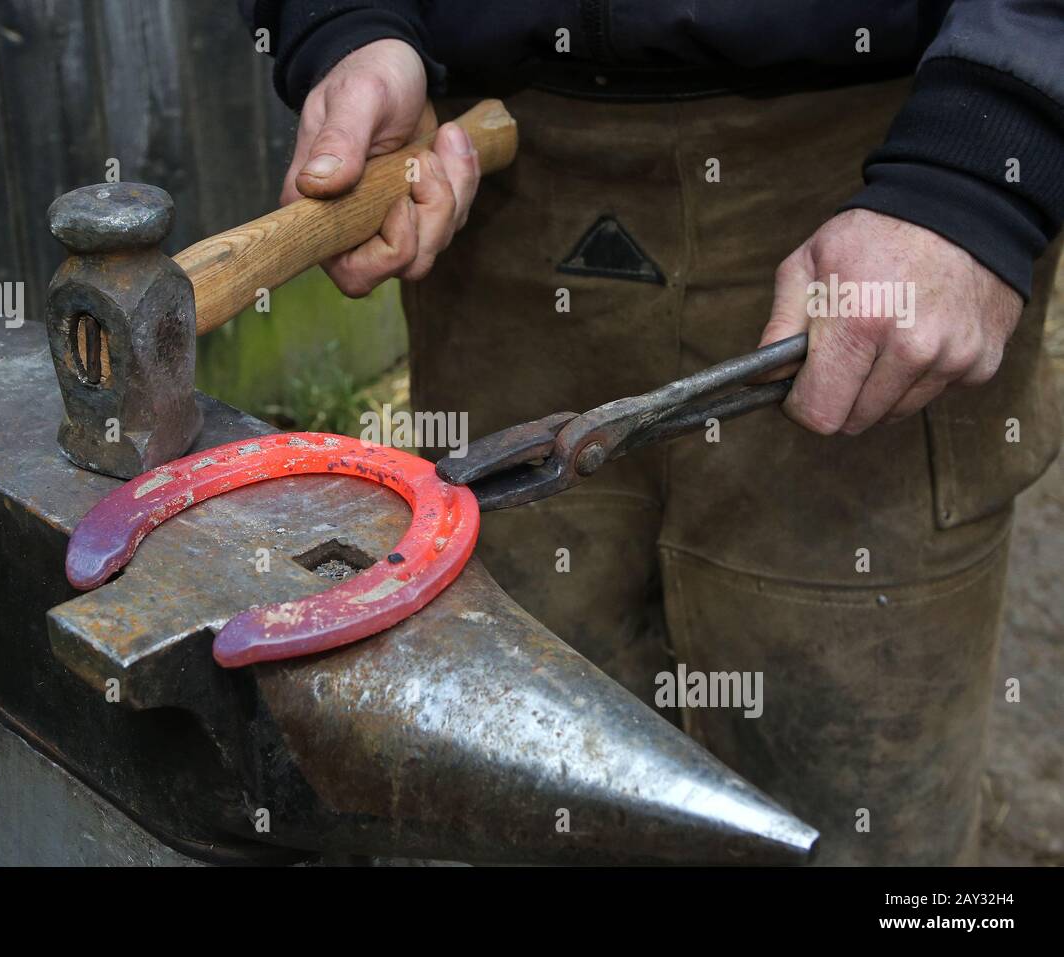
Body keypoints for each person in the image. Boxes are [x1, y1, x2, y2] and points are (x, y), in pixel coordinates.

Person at [249, 1, 1064, 864]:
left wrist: (977, 169)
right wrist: (351, 22)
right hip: (492, 187)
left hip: (881, 191)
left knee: (854, 808)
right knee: (511, 786)